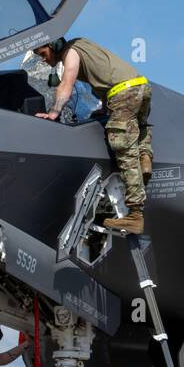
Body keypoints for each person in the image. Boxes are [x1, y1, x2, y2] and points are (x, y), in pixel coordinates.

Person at [32, 37, 152, 234]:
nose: (43, 59)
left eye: (43, 54)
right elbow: (105, 77)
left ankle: (135, 216)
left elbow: (66, 85)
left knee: (121, 143)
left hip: (124, 93)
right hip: (141, 86)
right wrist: (106, 108)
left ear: (53, 45)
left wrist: (53, 112)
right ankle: (145, 159)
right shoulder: (84, 46)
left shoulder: (71, 52)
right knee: (139, 128)